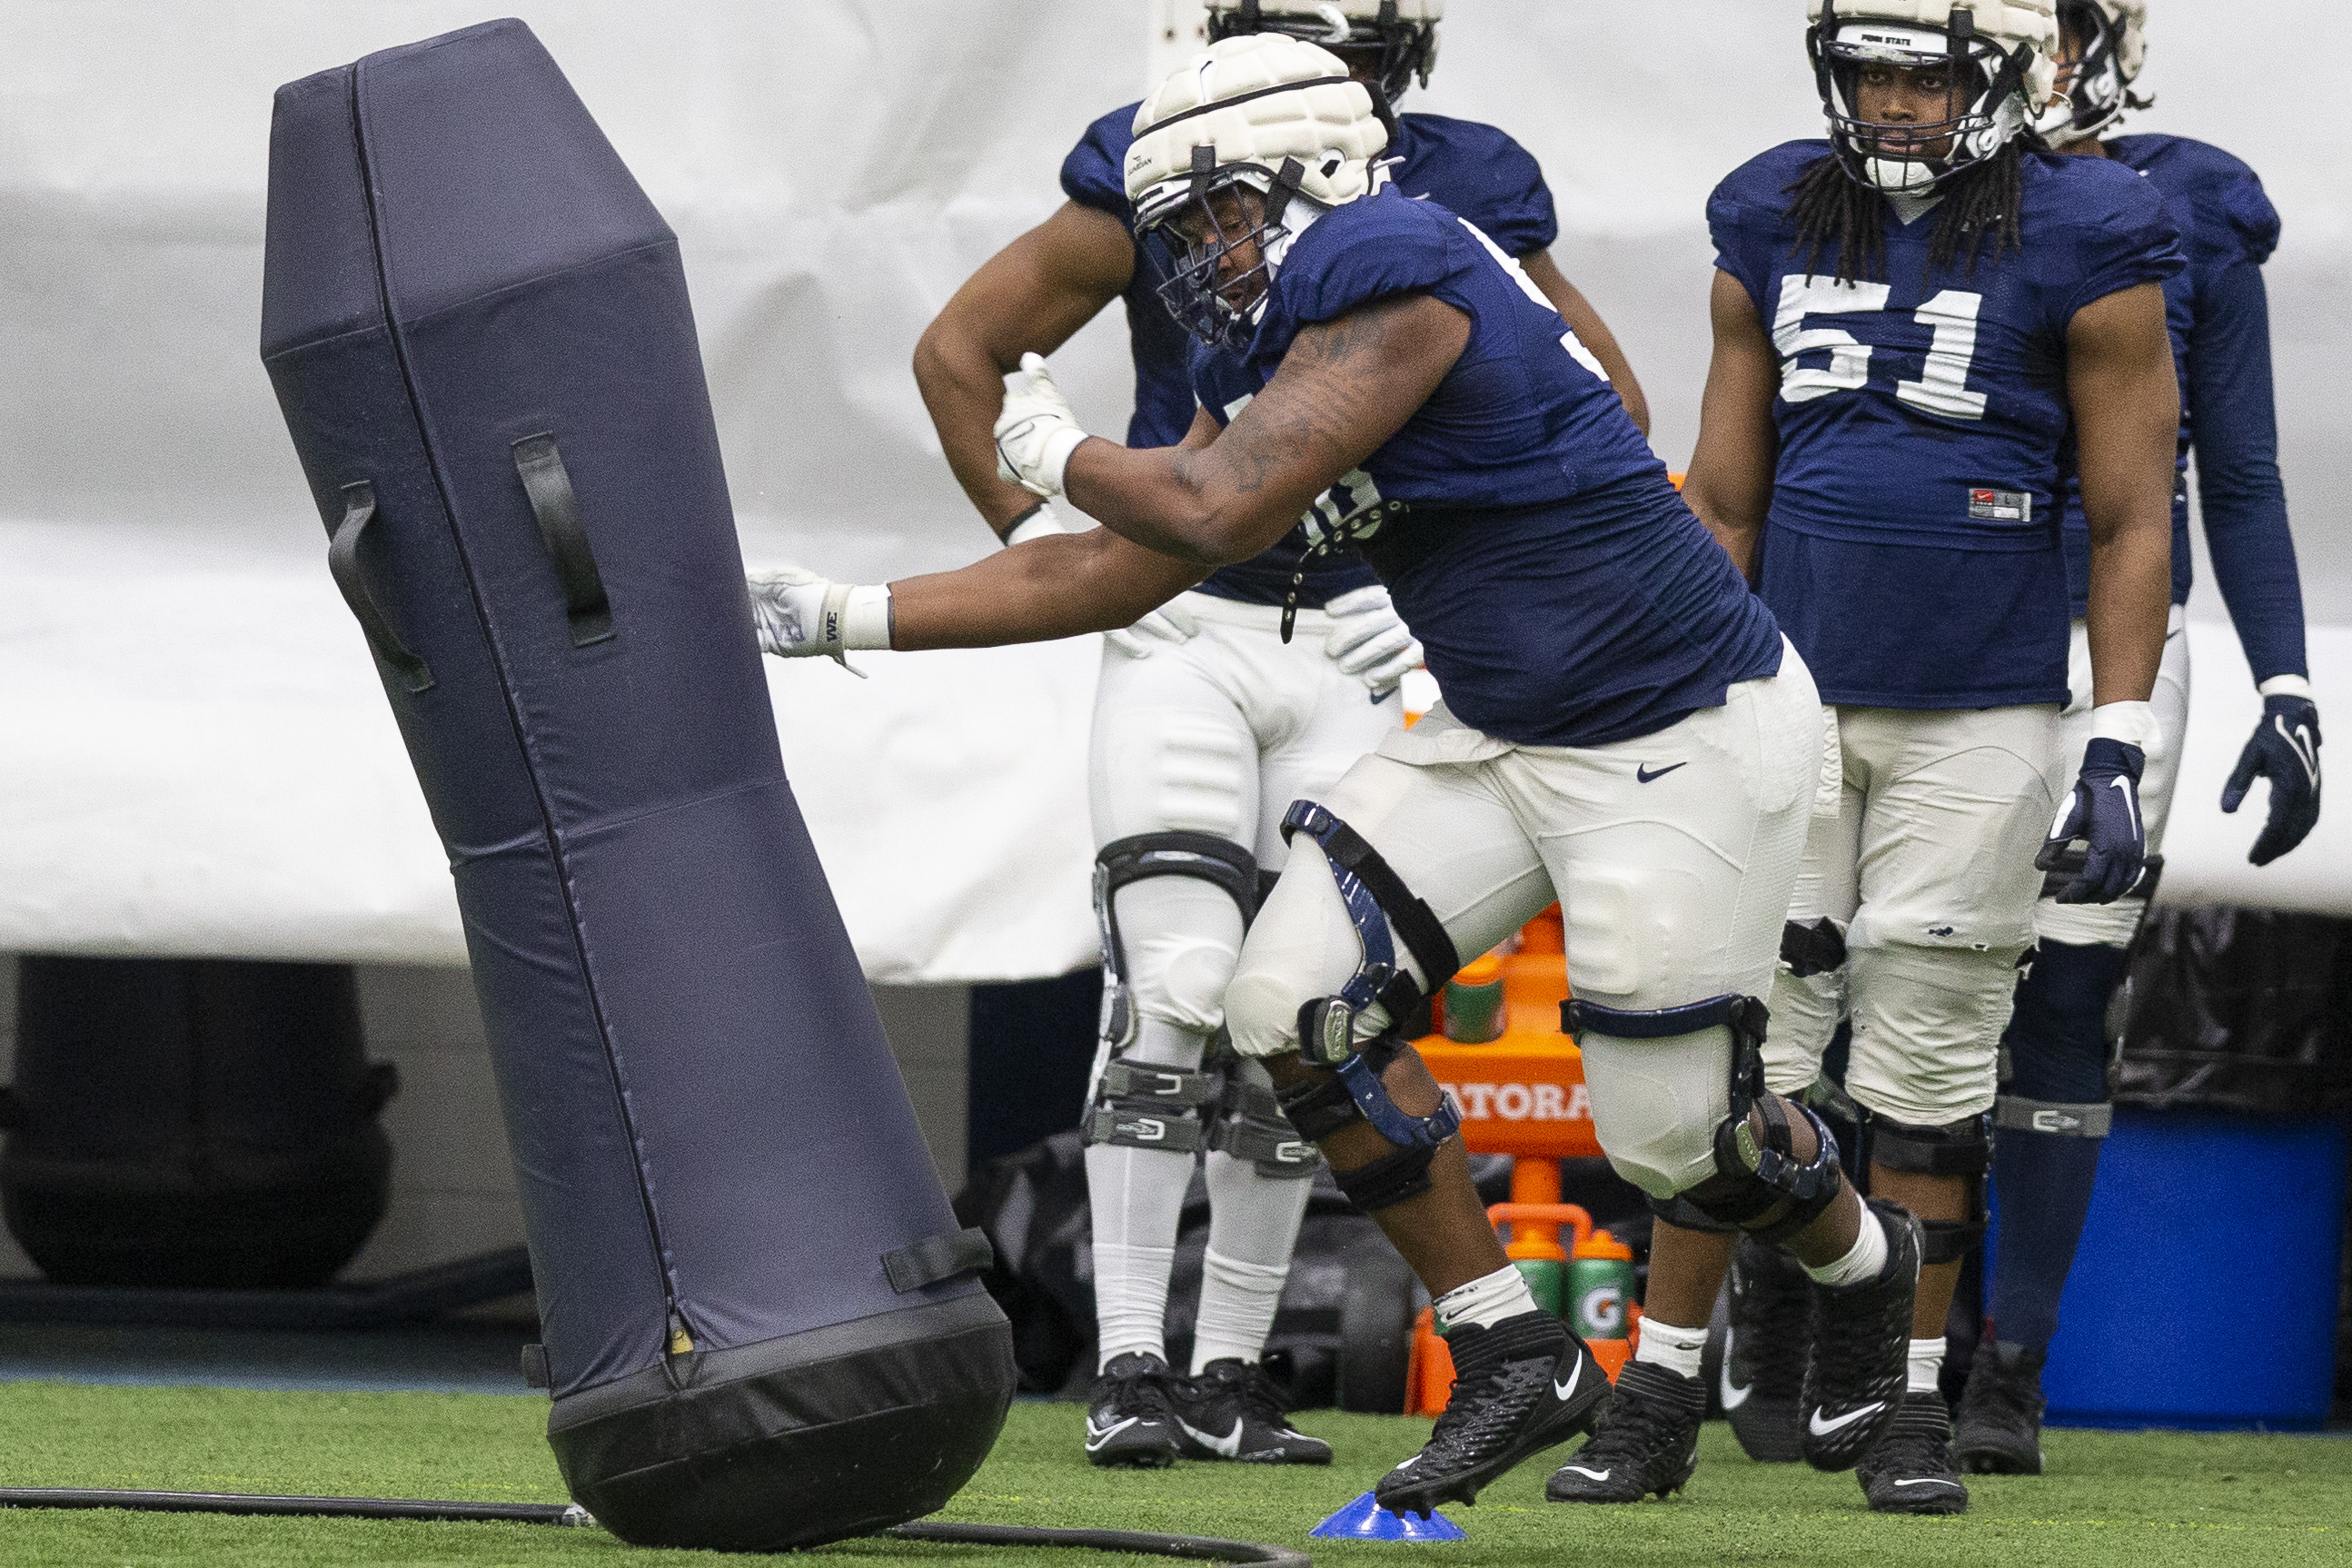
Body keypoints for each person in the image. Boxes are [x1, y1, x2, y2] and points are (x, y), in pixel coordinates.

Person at [752, 33, 1921, 1519]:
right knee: (1283, 1002)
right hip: (1495, 729)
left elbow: (1213, 498)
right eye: (1174, 228)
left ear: (1304, 171)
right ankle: (1510, 1351)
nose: (1192, 257)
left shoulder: (1396, 262)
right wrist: (844, 616)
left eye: (1212, 215)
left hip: (1671, 732)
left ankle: (1860, 1257)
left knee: (1673, 1143)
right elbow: (1136, 565)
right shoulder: (1283, 314)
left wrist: (1051, 444)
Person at [906, 0, 1648, 1469]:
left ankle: (1230, 1371)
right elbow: (962, 350)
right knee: (1169, 982)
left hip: (1365, 639)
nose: (1311, 86)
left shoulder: (1459, 182)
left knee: (1297, 1015)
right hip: (1188, 622)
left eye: (1349, 56)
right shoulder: (1146, 164)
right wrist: (1046, 543)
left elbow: (1604, 410)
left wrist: (1453, 597)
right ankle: (1128, 1358)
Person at [1579, 0, 2182, 1517]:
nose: (1892, 100)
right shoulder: (1773, 206)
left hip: (1978, 704)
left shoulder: (2091, 226)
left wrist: (2116, 734)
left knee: (1926, 1066)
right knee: (1737, 1053)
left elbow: (2129, 519)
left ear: (2001, 76)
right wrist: (1679, 694)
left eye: (1923, 71)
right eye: (1867, 69)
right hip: (1782, 694)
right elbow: (1722, 496)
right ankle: (1659, 1384)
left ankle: (1907, 1402)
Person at [1952, 0, 2323, 1477]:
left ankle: (2009, 1366)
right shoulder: (1846, 190)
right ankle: (1842, 1339)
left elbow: (2233, 469)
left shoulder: (2188, 206)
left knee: (2059, 995)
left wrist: (2285, 684)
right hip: (1906, 621)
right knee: (1852, 980)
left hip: (2104, 634)